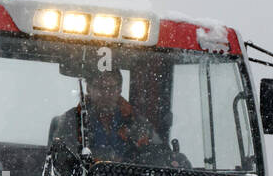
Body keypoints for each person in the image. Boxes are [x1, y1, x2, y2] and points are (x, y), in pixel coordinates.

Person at [49, 68, 191, 168]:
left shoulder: (136, 121)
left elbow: (156, 153)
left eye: (111, 88)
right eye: (100, 87)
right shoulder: (72, 121)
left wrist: (171, 160)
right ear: (89, 88)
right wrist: (101, 162)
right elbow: (62, 162)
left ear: (120, 89)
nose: (106, 93)